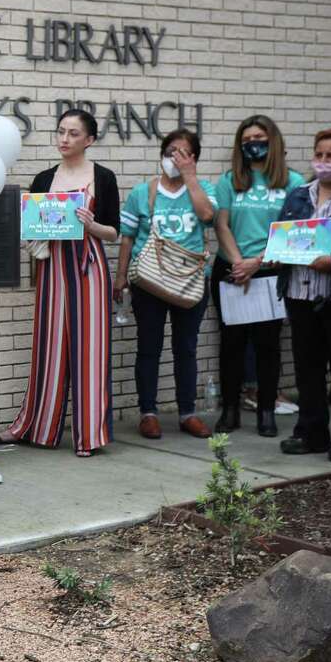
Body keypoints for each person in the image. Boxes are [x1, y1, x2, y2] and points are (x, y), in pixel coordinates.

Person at [0, 109, 120, 457]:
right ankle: (41, 428)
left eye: (73, 134)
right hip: (52, 270)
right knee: (49, 349)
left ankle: (89, 436)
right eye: (61, 132)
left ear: (89, 140)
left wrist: (91, 225)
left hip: (89, 268)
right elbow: (32, 230)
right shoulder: (44, 178)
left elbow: (114, 231)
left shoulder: (103, 177)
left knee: (90, 351)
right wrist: (29, 226)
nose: (64, 139)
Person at [273, 128, 331, 462]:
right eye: (320, 155)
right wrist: (275, 252)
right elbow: (283, 236)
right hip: (300, 292)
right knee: (307, 368)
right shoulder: (299, 195)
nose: (325, 162)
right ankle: (310, 432)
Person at [114, 129, 215, 440]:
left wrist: (191, 177)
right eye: (170, 151)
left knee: (186, 347)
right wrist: (120, 277)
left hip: (190, 281)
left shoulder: (203, 188)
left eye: (183, 152)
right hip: (149, 281)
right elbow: (128, 237)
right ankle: (148, 412)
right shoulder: (143, 192)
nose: (175, 158)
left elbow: (207, 214)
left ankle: (188, 413)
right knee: (149, 347)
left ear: (194, 158)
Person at [211, 114, 306, 438]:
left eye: (259, 139)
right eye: (247, 140)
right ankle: (231, 410)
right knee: (231, 345)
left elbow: (293, 233)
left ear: (273, 141)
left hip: (270, 272)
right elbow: (220, 224)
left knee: (268, 346)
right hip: (230, 271)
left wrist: (256, 262)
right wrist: (239, 263)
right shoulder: (229, 180)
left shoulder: (292, 182)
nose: (253, 145)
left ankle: (266, 410)